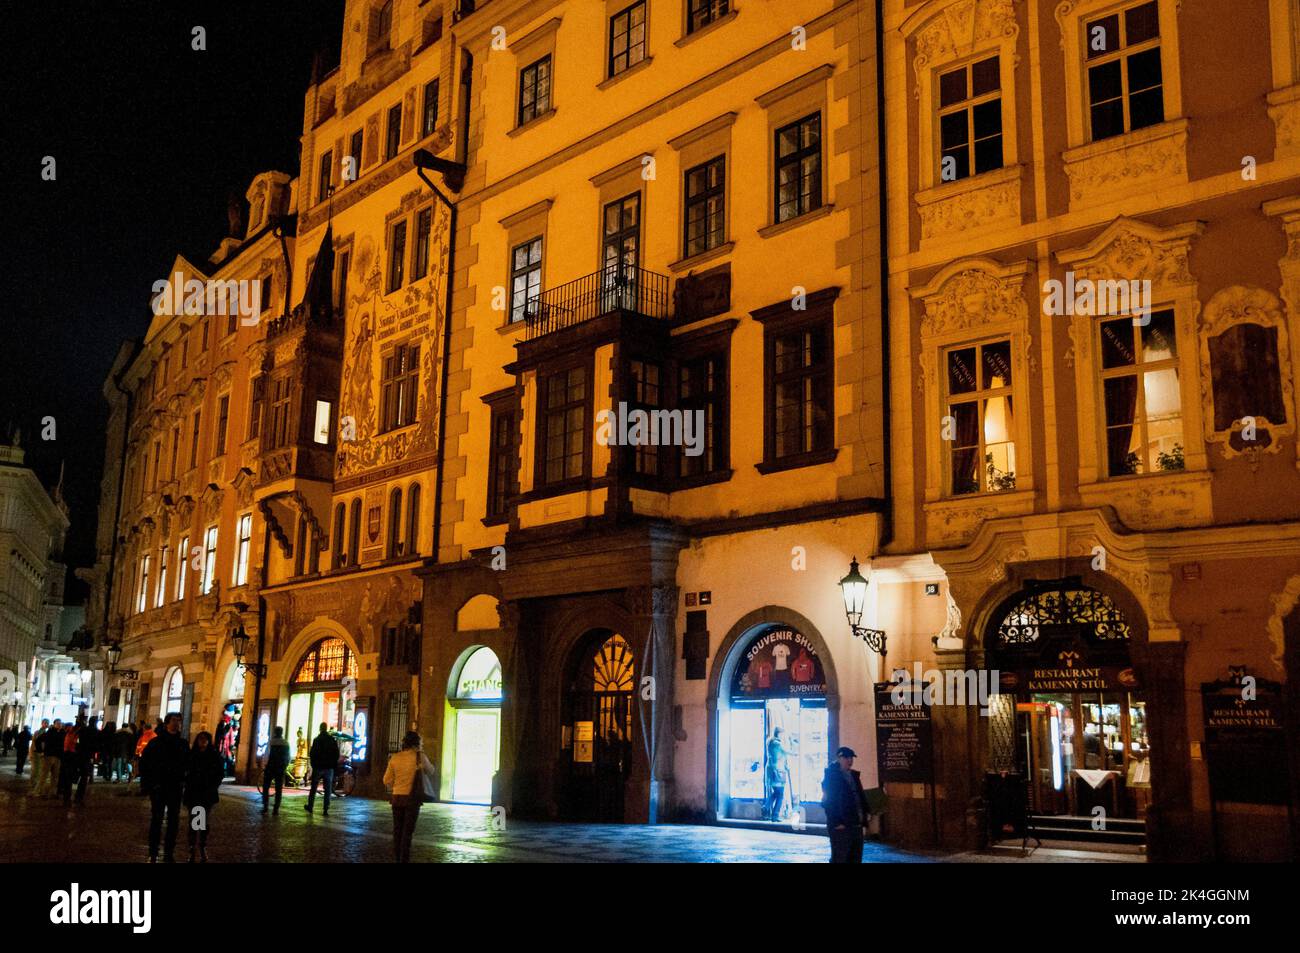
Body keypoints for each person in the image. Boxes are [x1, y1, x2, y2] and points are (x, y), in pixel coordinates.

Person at [139, 713, 188, 862]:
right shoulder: (156, 742)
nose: (177, 723)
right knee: (156, 820)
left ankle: (169, 853)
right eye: (174, 721)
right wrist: (149, 784)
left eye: (179, 721)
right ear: (167, 723)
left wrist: (183, 781)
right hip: (159, 787)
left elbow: (187, 764)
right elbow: (145, 764)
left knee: (173, 821)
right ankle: (153, 852)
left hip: (175, 788)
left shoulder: (183, 744)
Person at [383, 731, 435, 863]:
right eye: (421, 742)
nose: (422, 744)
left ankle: (397, 858)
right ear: (416, 743)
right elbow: (431, 771)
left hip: (397, 798)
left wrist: (397, 782)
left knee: (397, 830)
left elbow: (386, 780)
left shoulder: (395, 758)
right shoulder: (419, 756)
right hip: (412, 799)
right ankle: (404, 859)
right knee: (407, 832)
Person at [821, 746, 869, 864]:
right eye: (846, 757)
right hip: (841, 826)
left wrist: (866, 813)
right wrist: (836, 822)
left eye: (851, 758)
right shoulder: (831, 777)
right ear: (839, 758)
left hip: (856, 823)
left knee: (855, 857)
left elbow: (859, 795)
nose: (850, 760)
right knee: (840, 857)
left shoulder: (853, 775)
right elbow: (828, 801)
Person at [183, 731, 223, 862]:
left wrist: (213, 785)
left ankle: (201, 846)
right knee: (195, 820)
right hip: (194, 792)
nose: (203, 741)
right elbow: (186, 772)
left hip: (207, 793)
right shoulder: (192, 755)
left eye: (205, 739)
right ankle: (193, 847)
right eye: (201, 739)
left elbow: (219, 773)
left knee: (203, 821)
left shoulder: (214, 756)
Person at [306, 723, 340, 815]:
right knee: (328, 789)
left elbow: (312, 753)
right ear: (326, 729)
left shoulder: (317, 740)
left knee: (314, 787)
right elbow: (336, 753)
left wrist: (314, 765)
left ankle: (310, 805)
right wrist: (333, 764)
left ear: (320, 729)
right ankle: (325, 809)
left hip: (318, 767)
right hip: (329, 768)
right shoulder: (331, 740)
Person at [261, 726, 291, 815]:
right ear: (282, 733)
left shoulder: (271, 742)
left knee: (266, 787)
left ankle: (265, 806)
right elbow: (288, 757)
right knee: (278, 789)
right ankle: (276, 808)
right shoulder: (286, 743)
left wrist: (265, 765)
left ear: (275, 732)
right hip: (280, 768)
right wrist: (285, 766)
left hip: (270, 767)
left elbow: (266, 755)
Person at [765, 727, 791, 821]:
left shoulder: (771, 743)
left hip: (774, 771)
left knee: (776, 793)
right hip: (777, 771)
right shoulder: (777, 743)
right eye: (782, 733)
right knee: (780, 794)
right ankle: (775, 815)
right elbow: (787, 751)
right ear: (779, 733)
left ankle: (766, 807)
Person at [74, 716, 100, 803]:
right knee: (85, 776)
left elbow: (77, 741)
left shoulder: (83, 730)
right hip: (88, 755)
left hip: (80, 754)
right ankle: (79, 796)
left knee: (80, 774)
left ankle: (75, 794)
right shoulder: (95, 732)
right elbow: (96, 745)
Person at [59, 716, 83, 806]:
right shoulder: (71, 735)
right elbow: (73, 744)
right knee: (68, 777)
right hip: (70, 756)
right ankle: (66, 798)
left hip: (67, 756)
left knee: (67, 778)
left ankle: (66, 797)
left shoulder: (68, 734)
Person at [38, 720, 63, 798]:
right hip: (49, 756)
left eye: (60, 724)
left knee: (55, 776)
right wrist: (41, 751)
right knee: (44, 775)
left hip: (58, 757)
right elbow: (38, 740)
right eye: (58, 724)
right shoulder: (50, 732)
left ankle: (52, 792)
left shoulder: (62, 733)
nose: (59, 725)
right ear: (54, 724)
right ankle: (40, 791)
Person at [28, 719, 49, 794]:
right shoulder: (37, 732)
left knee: (40, 769)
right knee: (34, 769)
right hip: (35, 752)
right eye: (45, 723)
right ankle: (32, 783)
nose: (46, 724)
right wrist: (30, 753)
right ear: (42, 723)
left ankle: (36, 783)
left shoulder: (47, 733)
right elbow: (33, 743)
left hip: (41, 753)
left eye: (47, 723)